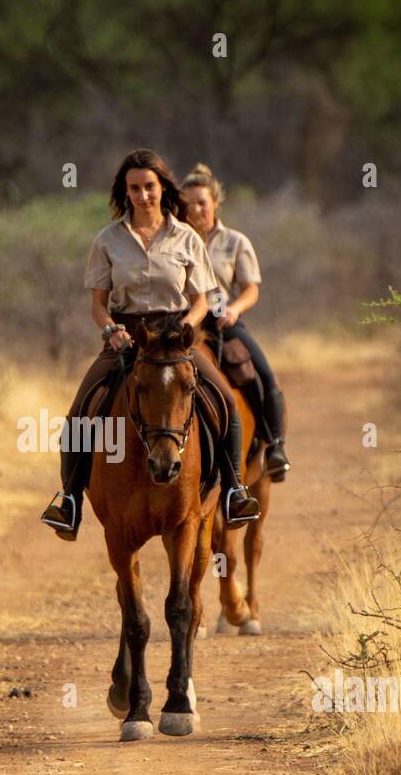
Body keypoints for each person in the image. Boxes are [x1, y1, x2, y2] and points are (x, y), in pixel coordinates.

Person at [40, 149, 262, 540]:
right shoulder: (107, 240)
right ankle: (69, 499)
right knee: (78, 414)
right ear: (124, 193)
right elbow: (97, 304)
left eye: (149, 187)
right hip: (126, 337)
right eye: (134, 189)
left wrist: (189, 327)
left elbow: (201, 299)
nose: (143, 196)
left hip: (176, 336)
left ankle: (233, 490)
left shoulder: (186, 237)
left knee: (225, 401)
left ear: (162, 188)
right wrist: (112, 331)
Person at [180, 164, 290, 480]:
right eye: (188, 203)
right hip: (185, 322)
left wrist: (236, 310)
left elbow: (251, 289)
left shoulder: (235, 242)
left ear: (215, 202)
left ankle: (275, 447)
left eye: (201, 202)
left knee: (264, 377)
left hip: (222, 320)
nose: (195, 209)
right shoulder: (177, 239)